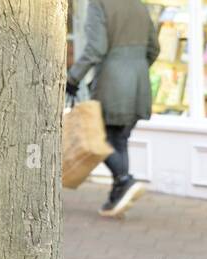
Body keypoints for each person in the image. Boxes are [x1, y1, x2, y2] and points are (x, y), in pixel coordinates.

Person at [67, 0, 158, 217]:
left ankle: (124, 180)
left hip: (113, 81)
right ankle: (117, 197)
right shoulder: (139, 5)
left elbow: (96, 49)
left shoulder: (99, 4)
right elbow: (154, 48)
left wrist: (73, 78)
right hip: (139, 81)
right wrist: (136, 67)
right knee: (119, 139)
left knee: (97, 139)